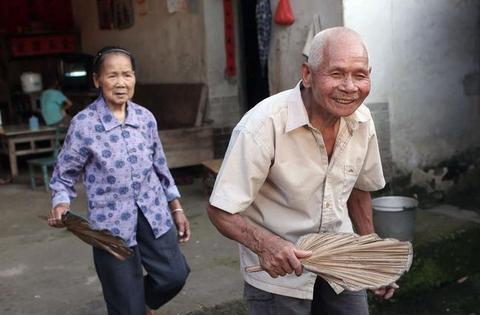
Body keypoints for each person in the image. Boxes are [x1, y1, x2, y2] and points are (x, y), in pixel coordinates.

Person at [207, 27, 395, 315]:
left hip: (341, 259)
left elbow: (359, 189)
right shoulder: (262, 125)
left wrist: (370, 255)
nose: (349, 87)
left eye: (360, 75)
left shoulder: (362, 121)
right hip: (280, 273)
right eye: (336, 73)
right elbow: (220, 210)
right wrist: (265, 244)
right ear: (307, 74)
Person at [47, 46, 191, 315]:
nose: (121, 83)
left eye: (127, 75)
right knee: (125, 304)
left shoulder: (145, 119)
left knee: (175, 275)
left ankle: (142, 304)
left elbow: (160, 167)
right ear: (97, 80)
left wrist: (177, 207)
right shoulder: (84, 125)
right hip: (110, 226)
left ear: (134, 77)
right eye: (112, 75)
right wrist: (60, 203)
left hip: (153, 213)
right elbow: (63, 174)